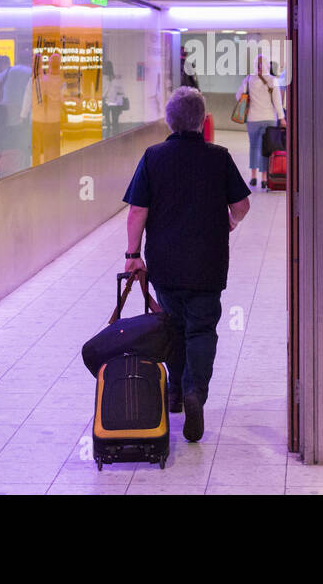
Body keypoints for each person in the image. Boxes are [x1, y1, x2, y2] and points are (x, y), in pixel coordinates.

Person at [123, 87, 252, 442]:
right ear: (202, 120)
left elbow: (137, 211)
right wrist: (229, 221)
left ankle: (176, 394)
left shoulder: (153, 157)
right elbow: (241, 206)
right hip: (208, 264)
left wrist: (133, 255)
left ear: (169, 119)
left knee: (174, 328)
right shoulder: (219, 157)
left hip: (165, 263)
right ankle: (196, 391)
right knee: (201, 330)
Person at [236, 53, 285, 189]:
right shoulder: (272, 80)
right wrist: (281, 118)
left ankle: (253, 177)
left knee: (253, 147)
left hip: (253, 119)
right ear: (267, 65)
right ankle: (264, 178)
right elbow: (277, 101)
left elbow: (238, 96)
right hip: (269, 119)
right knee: (266, 149)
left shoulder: (248, 79)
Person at [0, 53, 33, 176]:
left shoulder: (9, 70)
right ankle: (22, 160)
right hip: (21, 106)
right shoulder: (31, 72)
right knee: (22, 132)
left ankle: (6, 155)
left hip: (7, 105)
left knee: (9, 131)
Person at [32, 50, 64, 164]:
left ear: (49, 65)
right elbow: (64, 99)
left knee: (46, 145)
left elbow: (37, 99)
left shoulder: (43, 80)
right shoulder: (63, 81)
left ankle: (45, 165)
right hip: (57, 119)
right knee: (55, 146)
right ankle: (54, 166)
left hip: (44, 118)